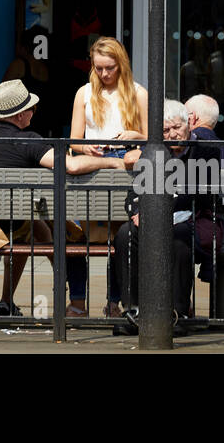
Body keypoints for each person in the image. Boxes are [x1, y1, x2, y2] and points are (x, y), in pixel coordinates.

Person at [0, 79, 127, 316]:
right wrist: (112, 161)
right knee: (48, 230)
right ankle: (63, 283)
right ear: (22, 115)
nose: (34, 112)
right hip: (14, 223)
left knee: (37, 226)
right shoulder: (29, 141)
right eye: (32, 109)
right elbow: (71, 166)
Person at [113, 100, 224, 323]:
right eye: (166, 130)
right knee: (125, 234)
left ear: (189, 123)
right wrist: (137, 211)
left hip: (195, 218)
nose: (173, 134)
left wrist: (160, 210)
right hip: (156, 219)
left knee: (178, 238)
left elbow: (200, 193)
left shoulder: (206, 151)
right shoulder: (154, 151)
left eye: (177, 127)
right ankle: (133, 309)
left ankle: (178, 312)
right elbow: (135, 193)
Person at [67, 35, 147, 315]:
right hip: (93, 160)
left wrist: (134, 135)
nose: (104, 74)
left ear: (121, 64)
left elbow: (151, 138)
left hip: (124, 160)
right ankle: (77, 301)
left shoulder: (138, 93)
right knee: (73, 233)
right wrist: (87, 146)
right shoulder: (84, 93)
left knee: (120, 236)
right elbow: (74, 139)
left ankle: (114, 302)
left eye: (109, 68)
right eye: (98, 68)